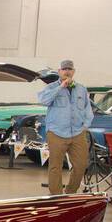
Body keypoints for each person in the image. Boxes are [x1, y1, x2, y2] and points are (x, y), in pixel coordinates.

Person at [37, 59, 94, 196]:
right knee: (55, 166)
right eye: (64, 69)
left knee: (81, 165)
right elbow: (44, 101)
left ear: (73, 71)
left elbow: (88, 109)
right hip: (56, 133)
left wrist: (85, 126)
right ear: (59, 71)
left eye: (69, 69)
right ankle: (56, 195)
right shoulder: (51, 87)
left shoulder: (81, 88)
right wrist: (60, 87)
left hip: (77, 133)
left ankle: (70, 192)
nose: (67, 71)